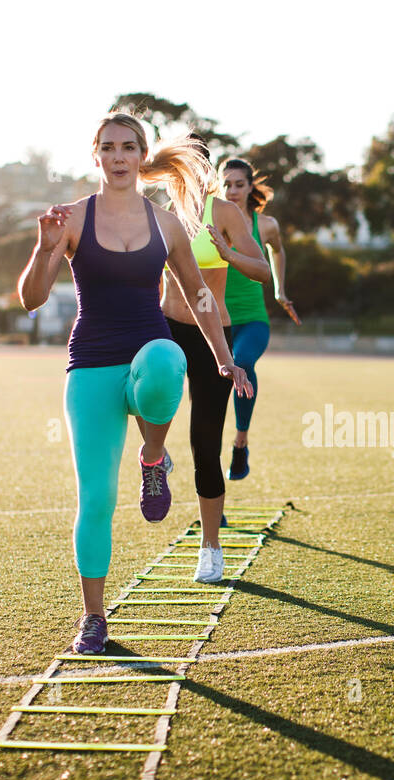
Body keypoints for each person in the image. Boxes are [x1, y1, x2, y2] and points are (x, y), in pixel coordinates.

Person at [17, 109, 251, 654]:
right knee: (96, 499)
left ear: (142, 158)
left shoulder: (167, 225)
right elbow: (31, 299)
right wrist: (44, 245)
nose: (118, 157)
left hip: (149, 355)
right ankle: (94, 618)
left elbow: (199, 296)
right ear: (95, 155)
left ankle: (153, 457)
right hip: (92, 366)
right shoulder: (71, 218)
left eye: (128, 147)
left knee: (170, 358)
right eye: (109, 147)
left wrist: (222, 357)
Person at [161, 138, 270, 583]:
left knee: (204, 444)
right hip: (164, 326)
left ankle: (210, 547)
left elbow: (263, 270)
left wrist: (227, 254)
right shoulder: (160, 213)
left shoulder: (223, 212)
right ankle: (154, 455)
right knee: (140, 395)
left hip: (213, 336)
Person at [219, 157, 300, 481]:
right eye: (226, 184)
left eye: (239, 184)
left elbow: (278, 251)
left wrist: (280, 290)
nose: (232, 190)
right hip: (216, 322)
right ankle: (212, 481)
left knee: (242, 362)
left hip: (253, 320)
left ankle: (241, 442)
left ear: (251, 186)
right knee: (209, 390)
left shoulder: (266, 225)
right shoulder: (209, 221)